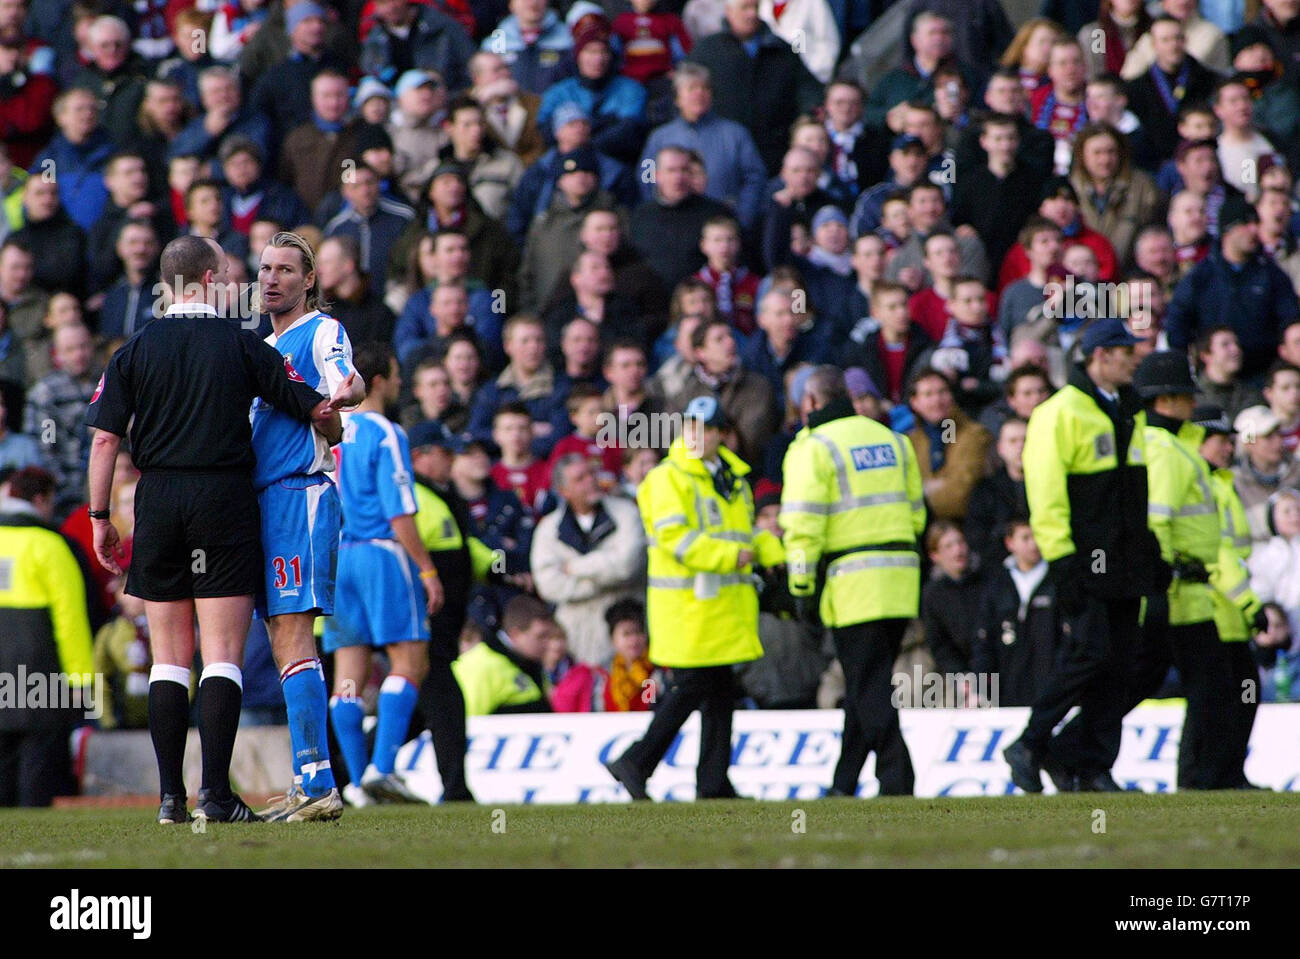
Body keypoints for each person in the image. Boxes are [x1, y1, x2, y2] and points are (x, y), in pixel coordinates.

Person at [84, 235, 341, 825]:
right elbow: (309, 404)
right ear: (206, 279)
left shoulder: (133, 350)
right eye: (228, 276)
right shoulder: (243, 345)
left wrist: (101, 517)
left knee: (169, 661)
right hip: (223, 500)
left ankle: (171, 798)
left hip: (158, 500)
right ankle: (216, 795)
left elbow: (103, 439)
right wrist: (338, 415)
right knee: (221, 656)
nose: (238, 286)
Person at [1002, 318, 1168, 794]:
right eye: (1125, 353)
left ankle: (1091, 764)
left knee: (1116, 664)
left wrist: (1149, 549)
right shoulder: (1060, 413)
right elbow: (1047, 493)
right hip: (1085, 558)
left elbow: (1139, 491)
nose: (1133, 361)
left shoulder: (1127, 412)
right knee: (1090, 654)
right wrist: (1062, 559)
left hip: (1126, 558)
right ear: (1100, 356)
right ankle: (1031, 742)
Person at [604, 395, 783, 800]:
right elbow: (675, 539)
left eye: (707, 429)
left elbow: (743, 536)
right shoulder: (668, 479)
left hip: (721, 608)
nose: (698, 436)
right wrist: (730, 556)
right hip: (689, 608)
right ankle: (637, 761)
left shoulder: (731, 480)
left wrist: (775, 550)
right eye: (691, 428)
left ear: (724, 435)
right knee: (691, 687)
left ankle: (712, 780)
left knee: (719, 692)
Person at [248, 231, 366, 823]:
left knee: (294, 635)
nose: (272, 279)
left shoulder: (320, 331)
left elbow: (349, 379)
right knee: (283, 640)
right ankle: (309, 779)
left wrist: (344, 398)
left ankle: (319, 782)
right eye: (266, 268)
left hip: (301, 495)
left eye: (286, 270)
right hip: (267, 503)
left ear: (309, 280)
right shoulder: (259, 346)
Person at [778, 366, 923, 795]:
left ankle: (898, 779)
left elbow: (803, 526)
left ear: (810, 403)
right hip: (900, 578)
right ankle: (844, 782)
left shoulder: (814, 447)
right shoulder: (893, 439)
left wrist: (801, 586)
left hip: (852, 581)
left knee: (867, 685)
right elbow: (916, 514)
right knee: (870, 680)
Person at [322, 344, 443, 808]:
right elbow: (400, 512)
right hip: (381, 555)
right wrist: (427, 569)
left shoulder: (330, 431)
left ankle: (354, 782)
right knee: (410, 661)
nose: (399, 384)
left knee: (348, 676)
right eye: (395, 375)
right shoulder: (386, 432)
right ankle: (383, 768)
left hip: (339, 557)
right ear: (379, 382)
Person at [0, 466, 93, 806]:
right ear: (41, 499)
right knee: (36, 772)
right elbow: (70, 620)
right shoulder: (51, 547)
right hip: (40, 677)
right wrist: (82, 680)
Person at [1195, 404, 1267, 789]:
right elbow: (1220, 553)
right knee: (1231, 696)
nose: (1229, 448)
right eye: (1221, 441)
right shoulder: (1209, 484)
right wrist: (1250, 604)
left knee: (1235, 695)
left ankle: (1220, 774)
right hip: (1219, 609)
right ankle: (1214, 775)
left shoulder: (1221, 481)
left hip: (1228, 610)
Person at [1165, 194, 1300, 383]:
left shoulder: (1272, 275)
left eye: (1256, 223)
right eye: (1245, 223)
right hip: (1213, 377)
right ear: (1227, 230)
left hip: (1263, 376)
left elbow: (1290, 319)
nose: (1254, 230)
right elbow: (1178, 324)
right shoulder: (1201, 276)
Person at [530, 453, 646, 664]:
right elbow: (549, 585)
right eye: (580, 478)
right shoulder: (548, 529)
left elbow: (629, 566)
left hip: (630, 633)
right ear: (563, 491)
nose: (591, 481)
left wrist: (574, 568)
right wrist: (605, 578)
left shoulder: (627, 513)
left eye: (592, 473)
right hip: (578, 641)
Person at [972, 517, 1061, 708]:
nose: (1034, 544)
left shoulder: (1057, 579)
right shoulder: (996, 585)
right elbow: (984, 641)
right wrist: (981, 688)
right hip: (1008, 692)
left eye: (1037, 536)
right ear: (1009, 542)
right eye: (1026, 537)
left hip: (1051, 691)